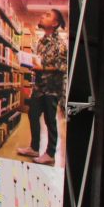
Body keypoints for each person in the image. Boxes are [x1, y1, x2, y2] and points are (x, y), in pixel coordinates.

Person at [19, 10, 66, 165]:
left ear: (55, 23)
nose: (42, 16)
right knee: (32, 114)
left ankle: (50, 154)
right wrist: (30, 63)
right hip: (39, 87)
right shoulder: (40, 41)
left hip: (51, 89)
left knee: (50, 121)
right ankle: (34, 147)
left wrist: (42, 67)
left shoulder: (60, 44)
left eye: (47, 16)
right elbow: (38, 61)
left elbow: (62, 66)